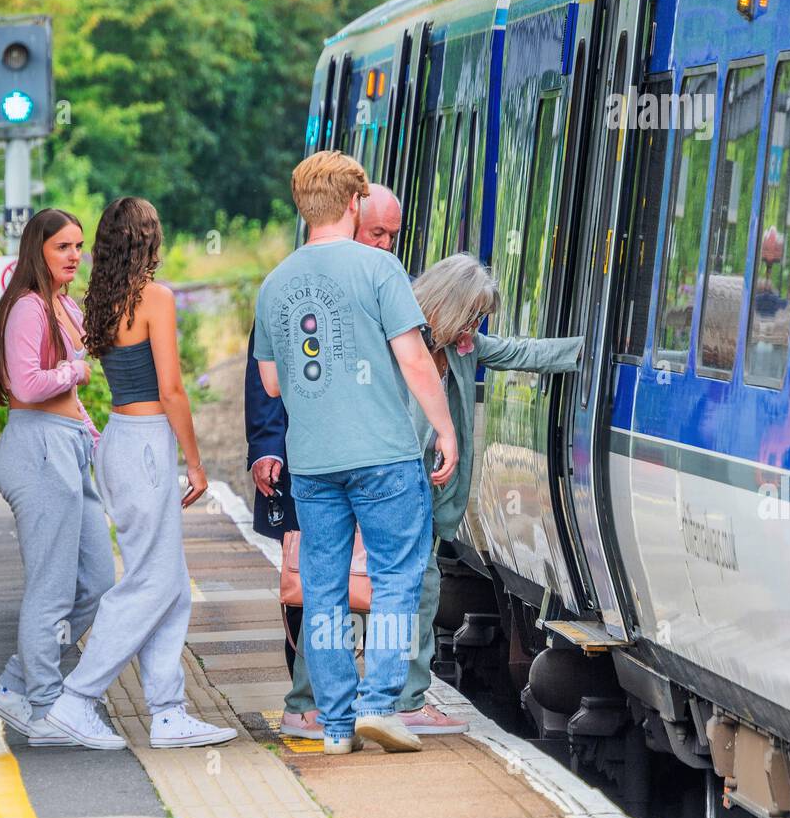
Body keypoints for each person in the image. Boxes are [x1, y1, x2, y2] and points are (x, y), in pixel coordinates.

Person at [254, 152, 457, 755]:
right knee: (396, 576)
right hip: (384, 455)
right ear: (353, 205)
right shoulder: (380, 268)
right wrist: (444, 430)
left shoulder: (275, 282)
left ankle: (336, 725)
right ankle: (378, 704)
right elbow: (416, 359)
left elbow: (269, 383)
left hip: (312, 461)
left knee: (323, 584)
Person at [45, 197, 236, 751]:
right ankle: (77, 697)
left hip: (119, 441)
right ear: (149, 240)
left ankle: (168, 711)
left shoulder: (100, 300)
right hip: (149, 446)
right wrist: (195, 463)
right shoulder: (155, 297)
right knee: (151, 583)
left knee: (170, 585)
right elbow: (172, 389)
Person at [244, 184, 403, 725]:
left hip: (364, 456)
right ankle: (310, 701)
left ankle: (348, 707)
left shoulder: (378, 277)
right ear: (351, 217)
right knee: (318, 582)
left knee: (349, 582)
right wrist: (266, 447)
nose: (384, 244)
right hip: (313, 459)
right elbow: (262, 371)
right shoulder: (293, 280)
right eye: (376, 232)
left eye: (392, 236)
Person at [399, 251, 583, 716]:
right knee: (408, 588)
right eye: (471, 315)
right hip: (391, 483)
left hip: (426, 491)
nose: (475, 327)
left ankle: (405, 696)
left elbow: (522, 353)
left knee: (419, 588)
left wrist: (591, 350)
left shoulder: (465, 347)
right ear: (446, 305)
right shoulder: (398, 340)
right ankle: (399, 696)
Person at [0, 208, 116, 748]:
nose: (75, 256)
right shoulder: (26, 308)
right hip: (35, 450)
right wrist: (75, 369)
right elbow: (28, 384)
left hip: (66, 447)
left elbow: (68, 398)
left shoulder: (64, 306)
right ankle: (42, 707)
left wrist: (96, 440)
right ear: (38, 249)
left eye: (79, 246)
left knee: (99, 583)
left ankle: (18, 681)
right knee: (51, 587)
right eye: (64, 247)